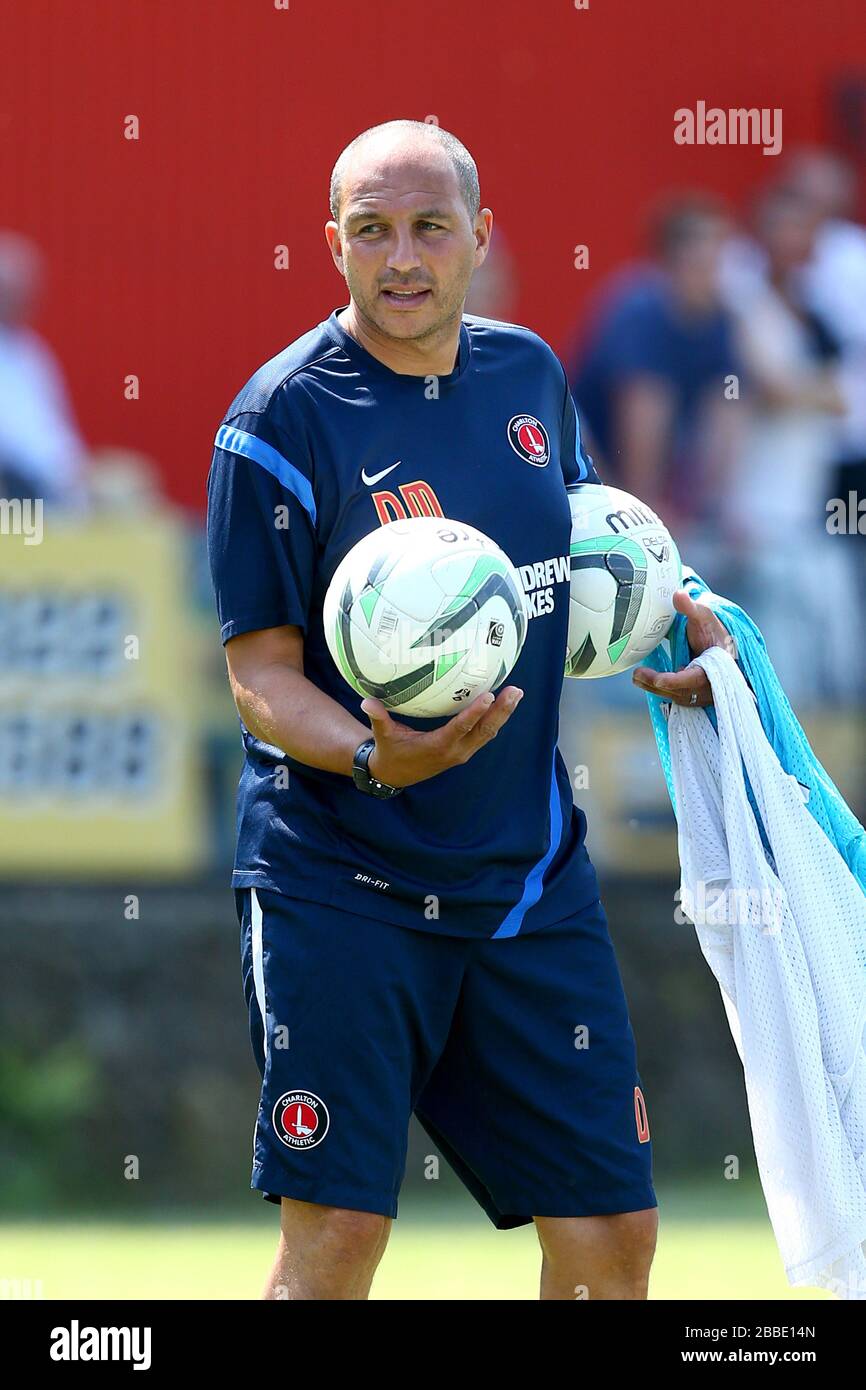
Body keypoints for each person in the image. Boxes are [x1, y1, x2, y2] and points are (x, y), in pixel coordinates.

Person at [206, 120, 729, 1301]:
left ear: (477, 239)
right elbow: (258, 674)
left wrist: (682, 610)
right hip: (337, 882)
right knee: (336, 1234)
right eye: (372, 230)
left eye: (429, 227)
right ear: (329, 242)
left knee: (611, 1236)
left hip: (527, 885)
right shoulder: (277, 421)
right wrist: (372, 754)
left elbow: (593, 532)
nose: (401, 257)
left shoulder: (527, 372)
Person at [567, 195, 742, 538]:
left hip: (666, 484)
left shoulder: (720, 318)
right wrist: (644, 509)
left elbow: (728, 408)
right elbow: (642, 410)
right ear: (673, 258)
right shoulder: (640, 311)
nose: (716, 266)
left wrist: (716, 508)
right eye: (705, 256)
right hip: (589, 473)